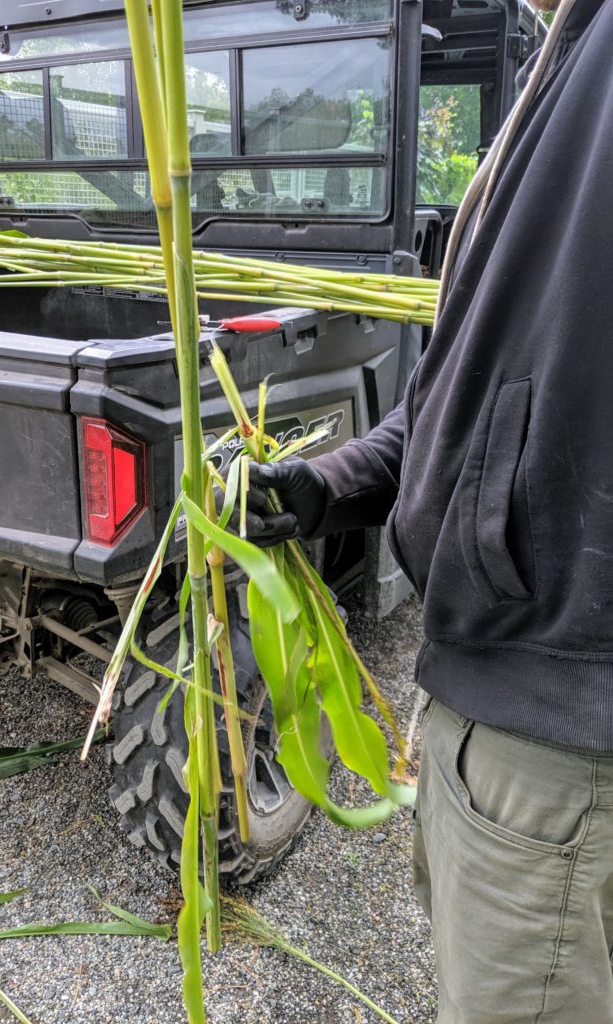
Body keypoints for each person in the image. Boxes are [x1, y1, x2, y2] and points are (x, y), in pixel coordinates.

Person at [240, 0, 613, 1019]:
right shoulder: (560, 64)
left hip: (557, 738)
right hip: (492, 700)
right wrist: (333, 483)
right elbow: (464, 391)